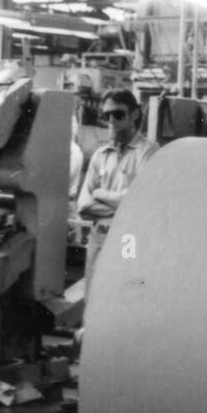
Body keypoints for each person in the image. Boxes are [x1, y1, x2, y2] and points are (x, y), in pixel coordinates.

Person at [78, 88, 159, 298]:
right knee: (93, 298)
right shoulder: (100, 155)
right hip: (99, 237)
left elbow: (139, 203)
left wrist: (100, 193)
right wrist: (123, 203)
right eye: (106, 116)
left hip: (129, 240)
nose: (111, 120)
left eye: (118, 114)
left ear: (134, 114)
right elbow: (83, 207)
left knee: (126, 296)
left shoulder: (149, 153)